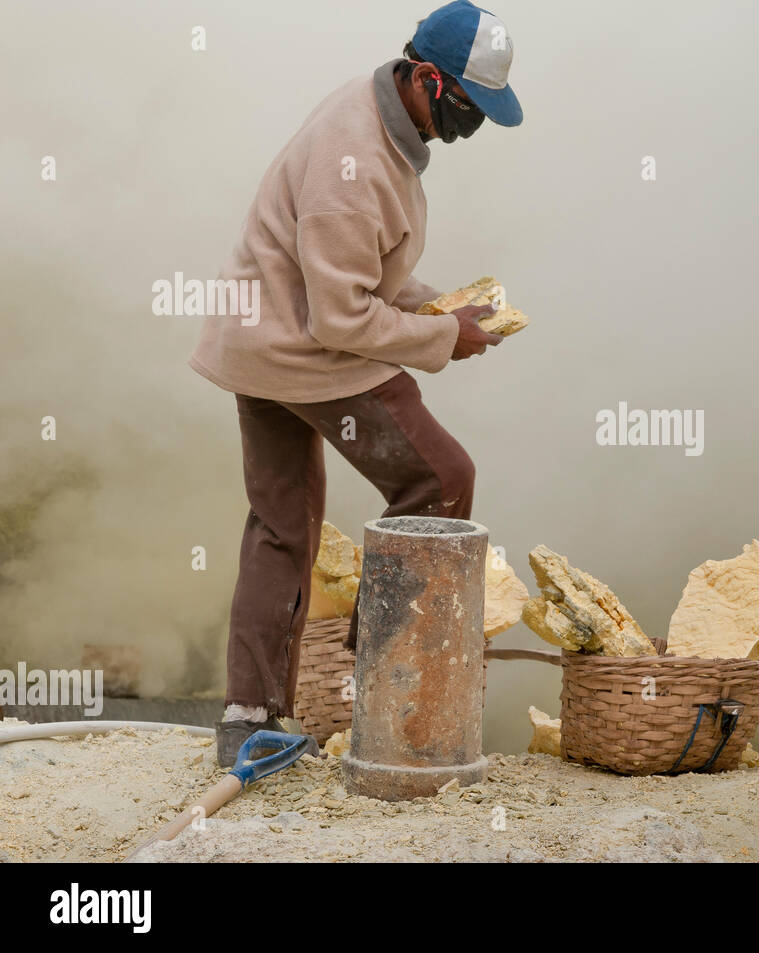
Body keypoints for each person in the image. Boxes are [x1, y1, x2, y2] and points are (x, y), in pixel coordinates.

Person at [187, 1, 523, 766]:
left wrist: (439, 308)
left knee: (282, 525)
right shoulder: (357, 159)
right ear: (429, 79)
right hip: (302, 349)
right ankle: (390, 693)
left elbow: (353, 273)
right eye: (469, 113)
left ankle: (251, 718)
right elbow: (341, 319)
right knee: (442, 479)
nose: (469, 132)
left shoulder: (372, 104)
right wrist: (444, 337)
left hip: (259, 339)